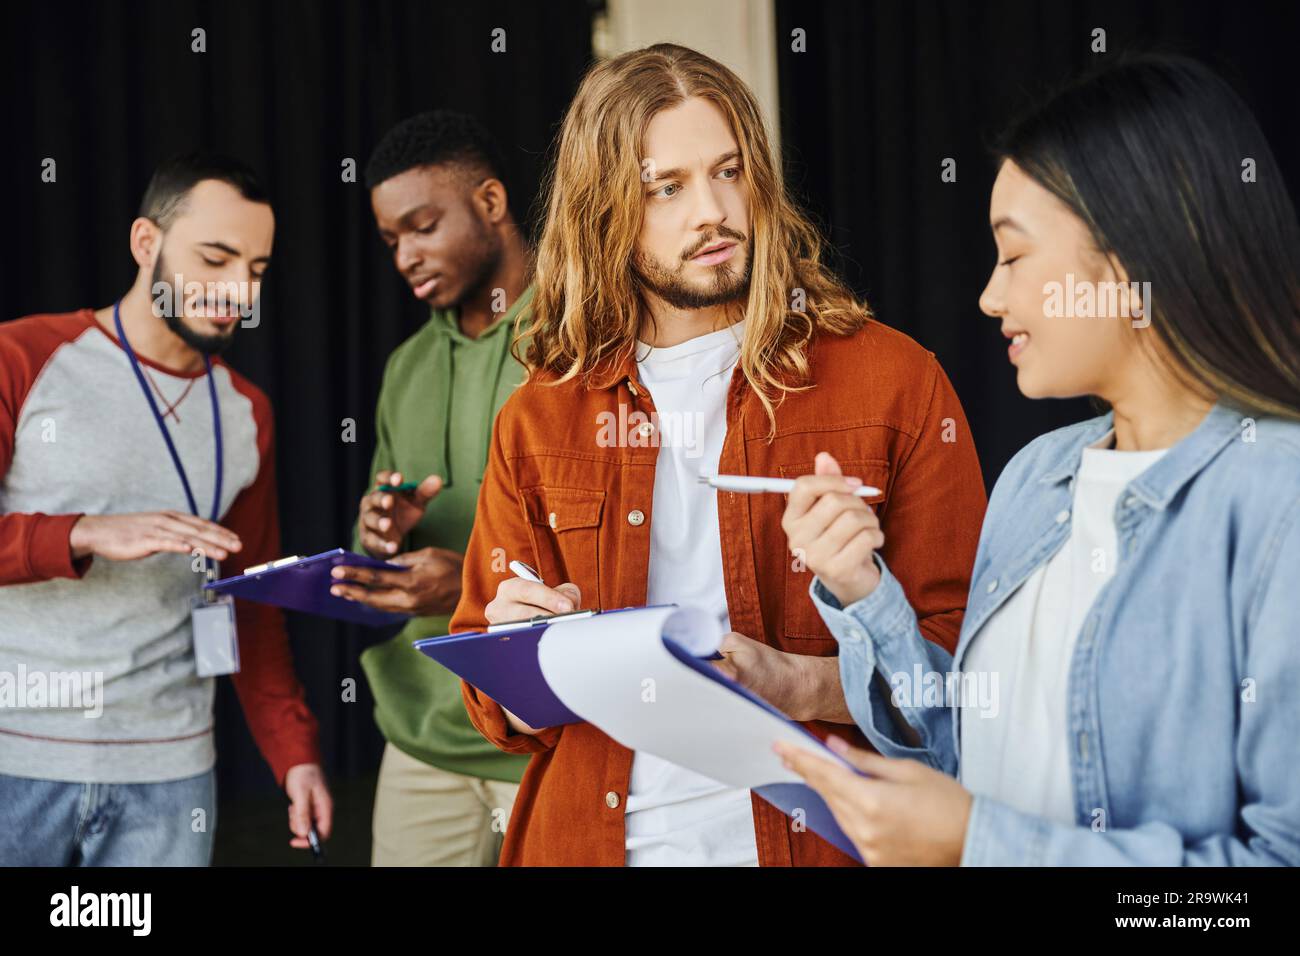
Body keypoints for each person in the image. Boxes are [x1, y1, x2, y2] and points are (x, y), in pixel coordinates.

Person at [447, 43, 987, 866]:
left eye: (728, 172)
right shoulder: (538, 418)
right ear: (603, 213)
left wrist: (801, 682)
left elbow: (963, 677)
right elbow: (495, 705)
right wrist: (522, 664)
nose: (712, 212)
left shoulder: (894, 381)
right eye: (666, 188)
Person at [775, 55, 1300, 866]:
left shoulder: (1278, 503)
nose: (990, 295)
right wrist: (861, 588)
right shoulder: (1036, 478)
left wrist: (977, 844)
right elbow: (965, 755)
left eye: (1014, 256)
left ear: (1130, 261)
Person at [0, 152, 331, 865]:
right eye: (215, 259)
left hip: (170, 777)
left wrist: (293, 753)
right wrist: (82, 533)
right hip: (16, 761)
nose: (238, 290)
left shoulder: (248, 412)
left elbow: (251, 603)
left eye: (257, 270)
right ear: (146, 243)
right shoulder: (21, 358)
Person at [327, 111, 533, 865]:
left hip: (550, 731)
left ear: (489, 202)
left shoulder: (588, 337)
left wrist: (470, 585)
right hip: (424, 731)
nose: (406, 257)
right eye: (392, 242)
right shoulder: (406, 366)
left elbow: (635, 541)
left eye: (422, 226)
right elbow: (372, 545)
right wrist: (381, 533)